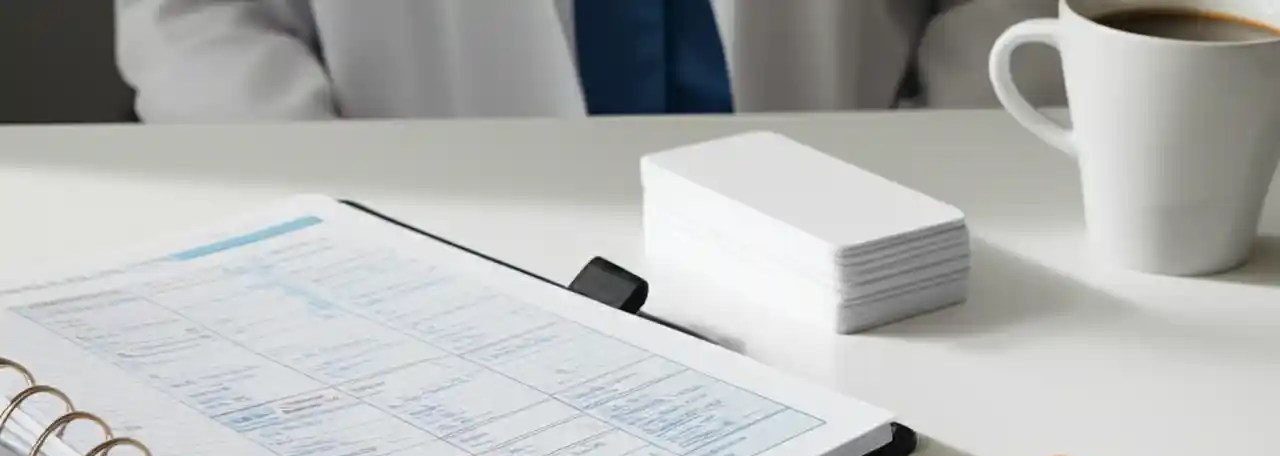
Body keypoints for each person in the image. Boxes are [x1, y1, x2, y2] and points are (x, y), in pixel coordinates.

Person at [116, 0, 1066, 122]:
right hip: (437, 250)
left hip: (853, 237)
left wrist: (945, 155)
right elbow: (202, 24)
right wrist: (327, 218)